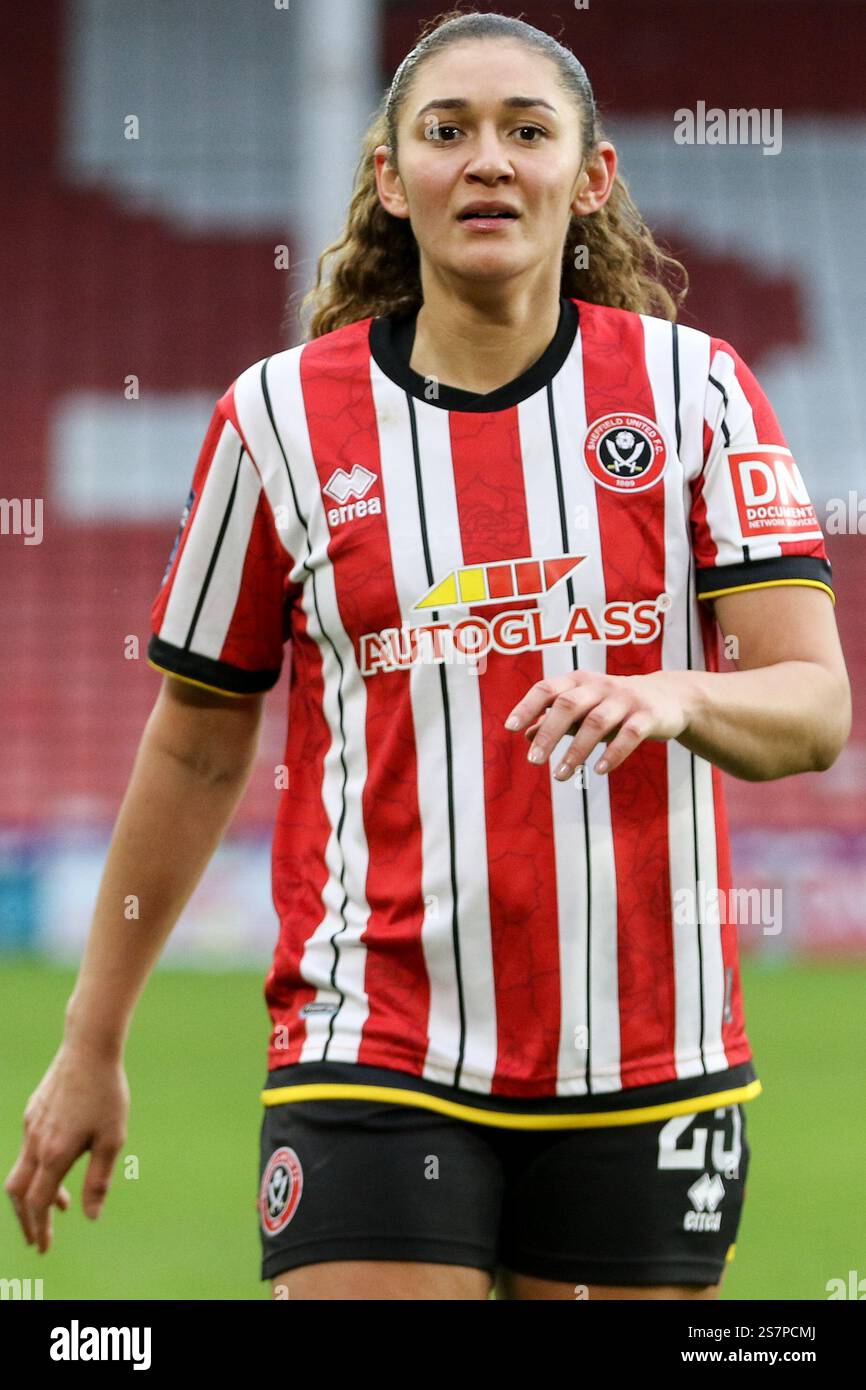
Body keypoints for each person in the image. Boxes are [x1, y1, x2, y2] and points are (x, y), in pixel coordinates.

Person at [5, 9, 851, 1302]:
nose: (488, 160)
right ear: (392, 179)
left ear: (590, 176)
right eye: (447, 131)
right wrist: (91, 1036)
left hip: (646, 1053)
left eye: (527, 130)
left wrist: (673, 692)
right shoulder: (276, 420)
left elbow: (813, 708)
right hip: (371, 1036)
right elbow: (196, 740)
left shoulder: (698, 393)